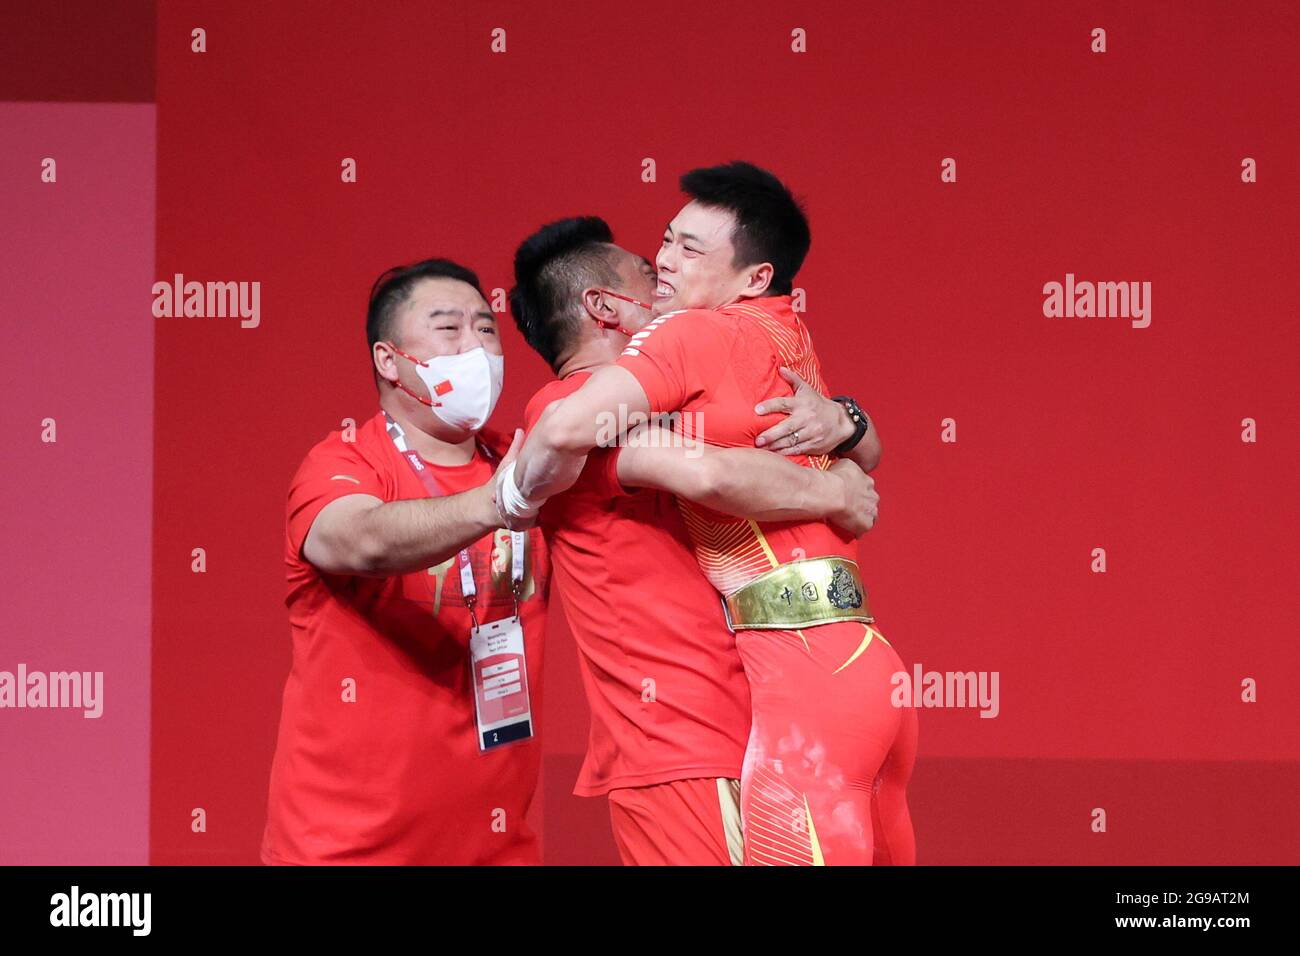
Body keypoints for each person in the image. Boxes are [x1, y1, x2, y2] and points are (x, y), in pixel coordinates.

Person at [504, 163, 918, 866]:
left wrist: (847, 424)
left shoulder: (703, 359)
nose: (664, 268)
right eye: (654, 261)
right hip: (684, 741)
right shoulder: (575, 405)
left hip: (775, 703)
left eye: (683, 252)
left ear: (752, 278)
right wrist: (837, 488)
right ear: (607, 308)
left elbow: (850, 441)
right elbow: (710, 472)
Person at [262, 258, 550, 865]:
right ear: (388, 360)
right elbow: (359, 540)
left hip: (499, 849)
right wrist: (496, 502)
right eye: (449, 330)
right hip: (348, 852)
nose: (476, 346)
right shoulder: (343, 462)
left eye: (487, 328)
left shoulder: (522, 463)